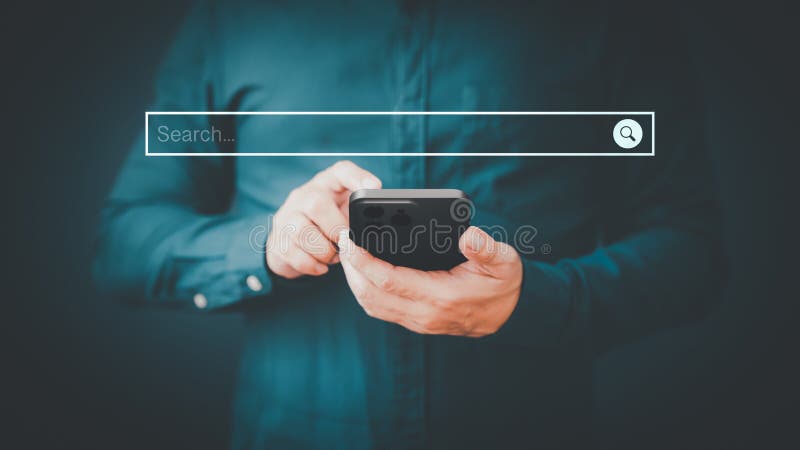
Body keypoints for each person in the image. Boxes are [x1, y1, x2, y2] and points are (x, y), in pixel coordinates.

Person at [93, 1, 722, 448]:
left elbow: (692, 249)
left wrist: (536, 300)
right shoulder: (229, 19)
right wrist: (264, 244)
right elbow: (125, 238)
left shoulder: (614, 19)